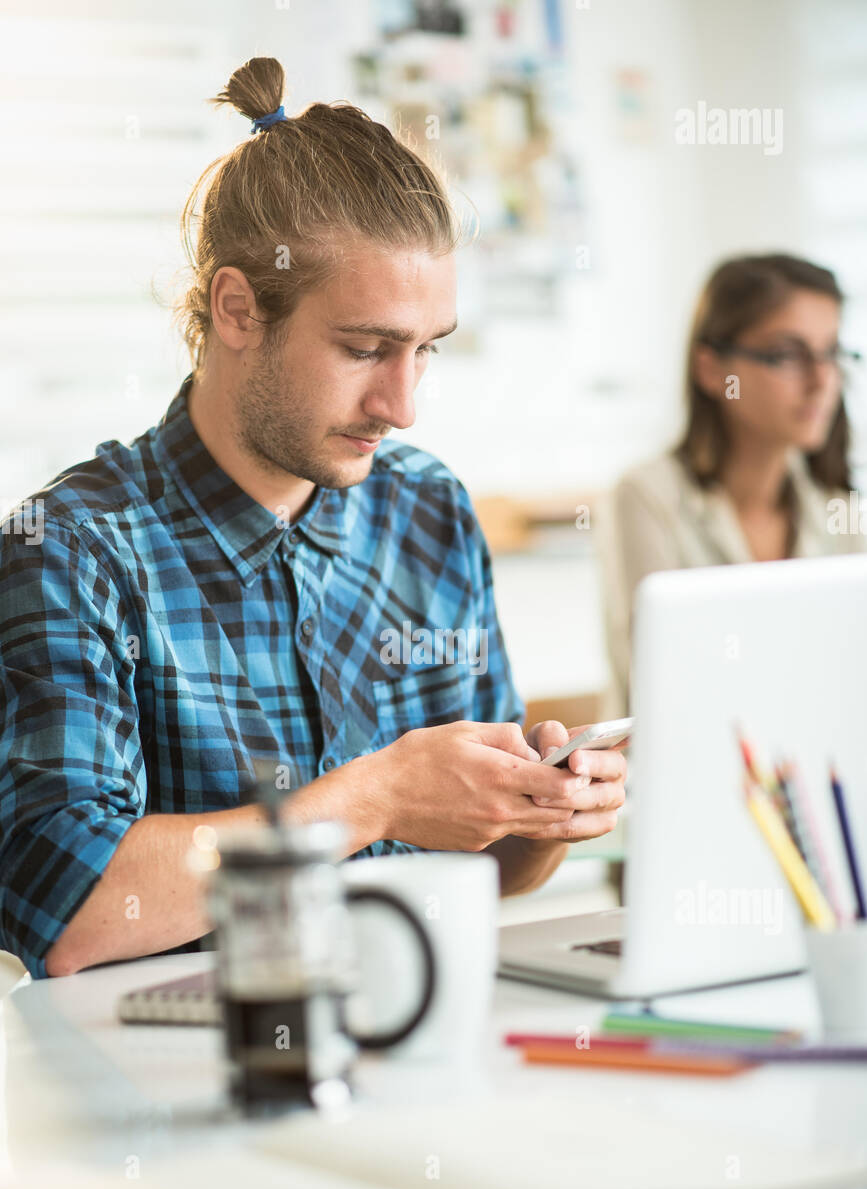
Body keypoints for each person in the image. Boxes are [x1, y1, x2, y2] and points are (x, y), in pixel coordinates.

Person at [0, 57, 627, 982]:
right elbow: (65, 908)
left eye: (425, 352)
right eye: (365, 349)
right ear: (237, 309)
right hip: (188, 1077)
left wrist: (541, 811)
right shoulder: (74, 547)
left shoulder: (428, 511)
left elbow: (480, 867)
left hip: (411, 1032)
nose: (402, 403)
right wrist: (371, 799)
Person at [602, 253, 865, 717]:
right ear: (712, 371)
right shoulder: (646, 498)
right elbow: (662, 686)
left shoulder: (842, 511)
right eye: (787, 354)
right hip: (683, 772)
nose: (822, 380)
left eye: (830, 353)